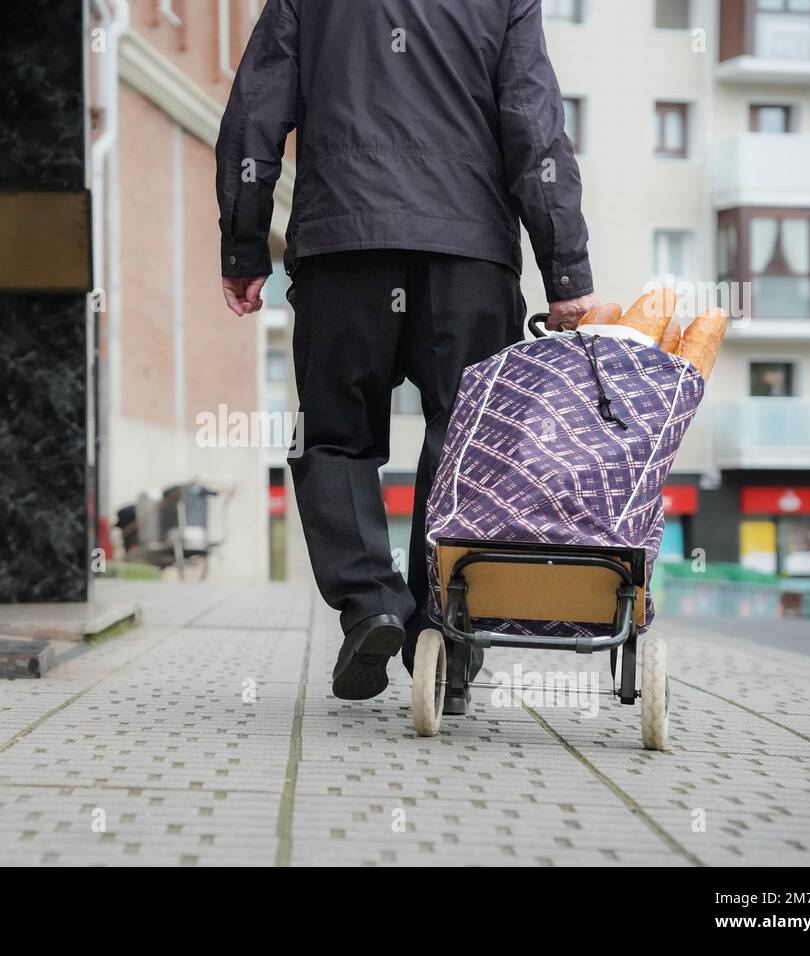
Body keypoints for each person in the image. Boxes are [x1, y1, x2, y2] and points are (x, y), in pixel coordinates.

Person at [215, 0, 597, 702]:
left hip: (344, 244)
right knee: (468, 445)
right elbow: (534, 125)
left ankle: (372, 605)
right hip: (469, 256)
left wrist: (244, 244)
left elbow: (255, 111)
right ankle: (446, 632)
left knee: (334, 436)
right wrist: (565, 268)